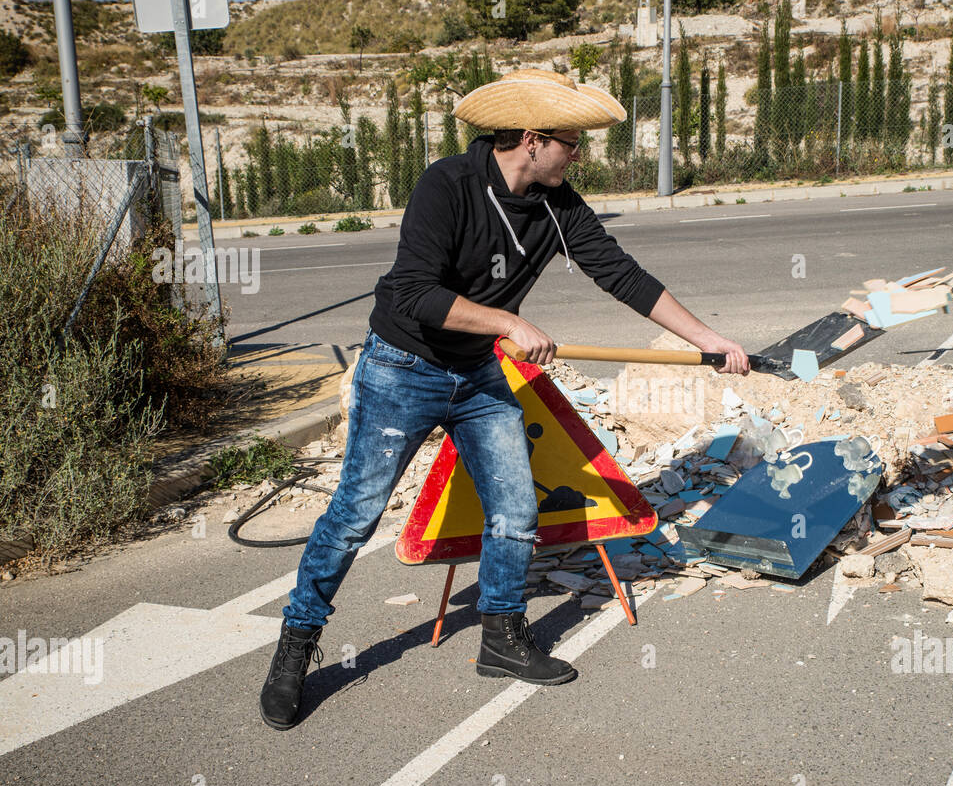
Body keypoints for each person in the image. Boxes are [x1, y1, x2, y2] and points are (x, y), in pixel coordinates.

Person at [260, 68, 749, 730]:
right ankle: (294, 646)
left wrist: (709, 338)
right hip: (403, 367)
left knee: (517, 507)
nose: (579, 155)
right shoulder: (447, 186)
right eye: (571, 144)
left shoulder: (557, 205)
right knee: (355, 513)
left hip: (478, 376)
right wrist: (508, 323)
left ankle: (501, 635)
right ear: (531, 139)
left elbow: (624, 276)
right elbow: (415, 294)